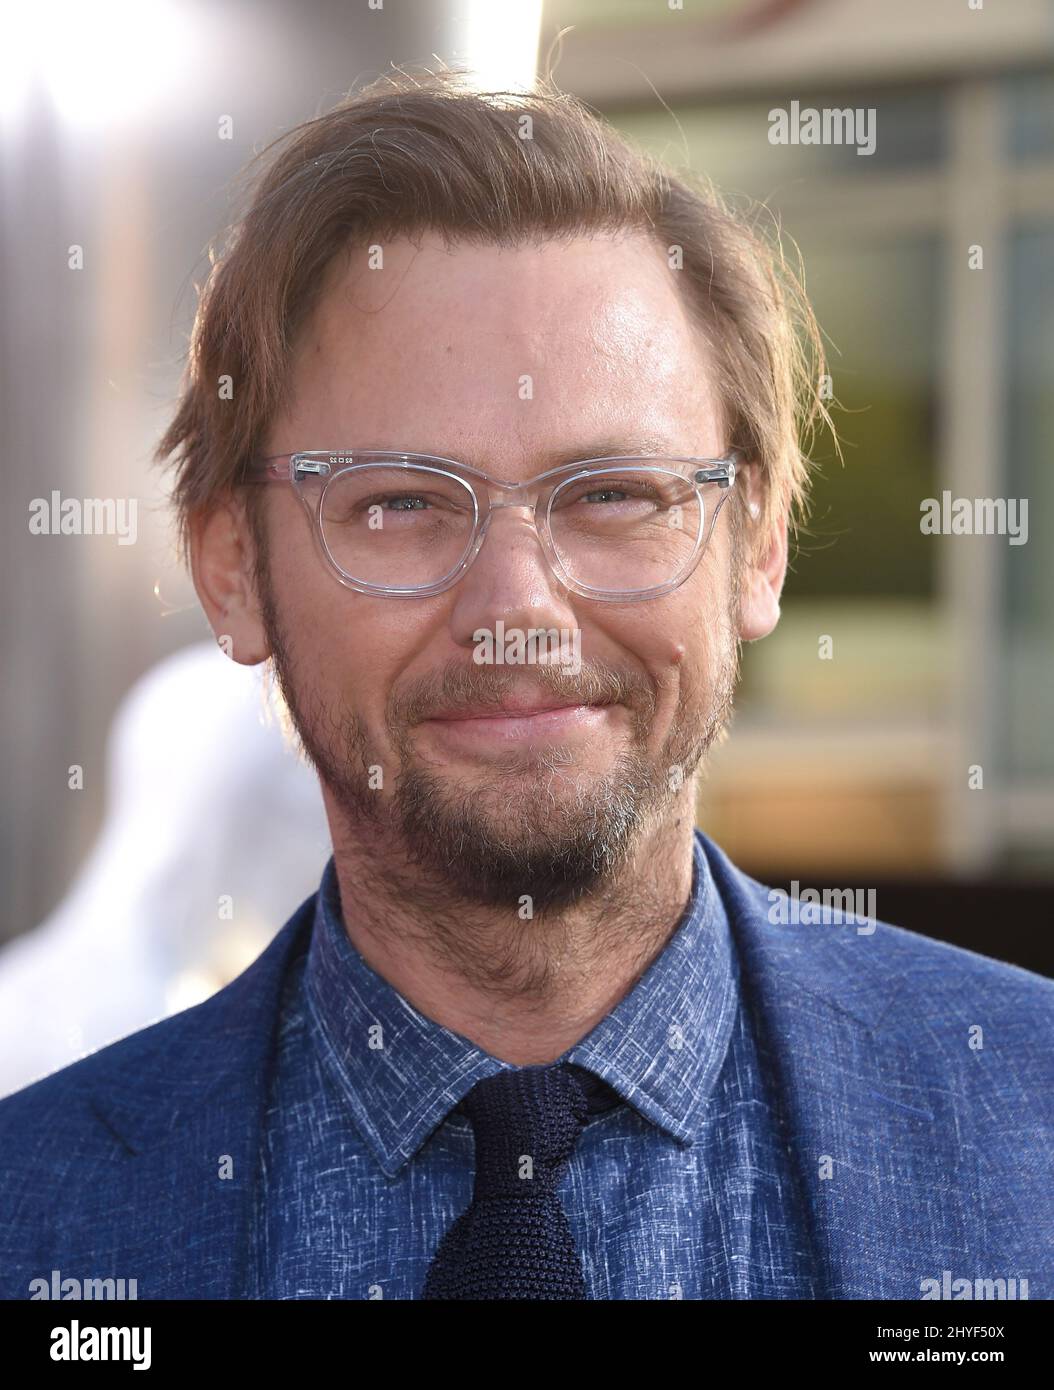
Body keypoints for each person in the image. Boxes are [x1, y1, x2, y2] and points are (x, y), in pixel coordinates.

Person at [1, 69, 1050, 1302]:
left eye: (612, 494)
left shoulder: (1027, 1122)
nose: (515, 609)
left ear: (757, 545)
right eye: (397, 503)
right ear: (230, 566)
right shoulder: (32, 1215)